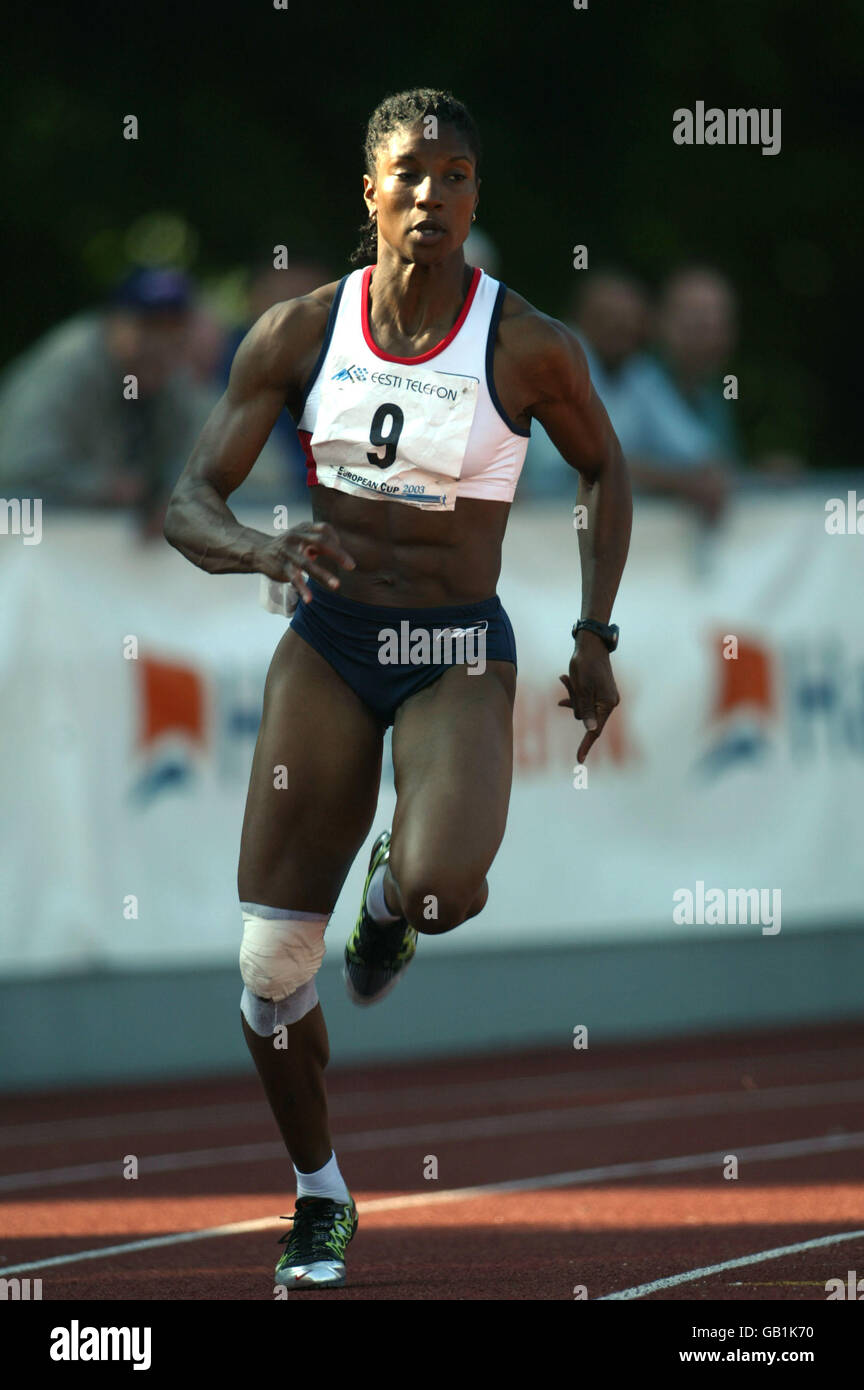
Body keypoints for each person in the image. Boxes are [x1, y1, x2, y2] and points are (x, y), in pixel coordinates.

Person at [163, 87, 632, 1290]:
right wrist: (262, 549)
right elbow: (186, 500)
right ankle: (320, 1194)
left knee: (436, 891)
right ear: (369, 190)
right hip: (329, 642)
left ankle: (387, 903)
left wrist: (593, 632)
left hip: (455, 651)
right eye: (410, 175)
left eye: (458, 176)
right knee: (270, 973)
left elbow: (602, 470)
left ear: (479, 197)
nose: (434, 197)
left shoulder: (524, 343)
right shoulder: (298, 332)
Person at [0, 268, 212, 536]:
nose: (161, 343)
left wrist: (169, 497)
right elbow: (16, 469)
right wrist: (102, 488)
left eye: (174, 328)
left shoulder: (172, 379)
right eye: (149, 326)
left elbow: (238, 463)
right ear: (113, 323)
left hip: (103, 558)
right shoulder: (65, 369)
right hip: (26, 548)